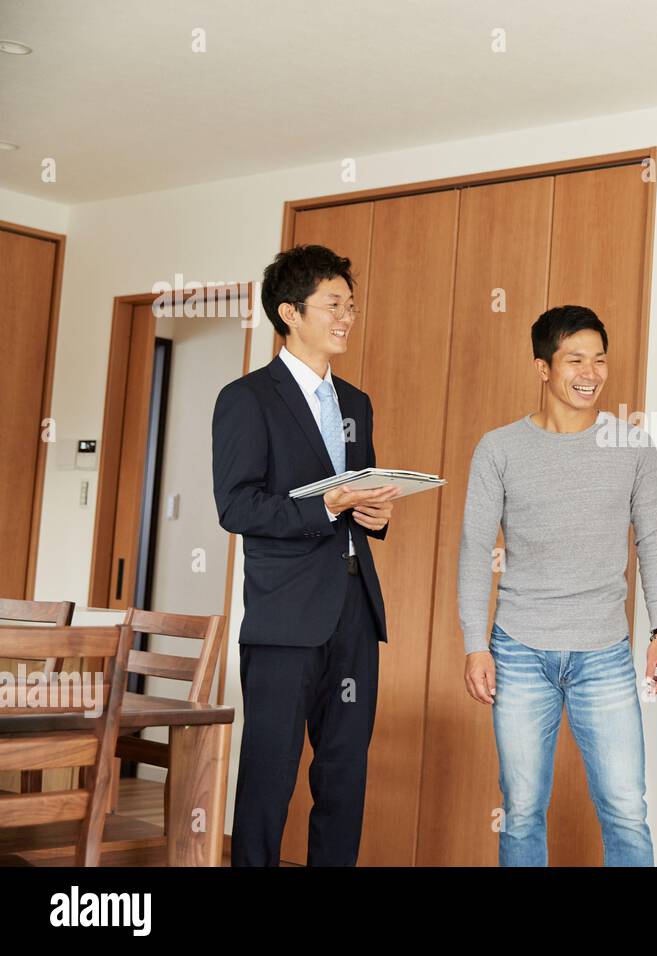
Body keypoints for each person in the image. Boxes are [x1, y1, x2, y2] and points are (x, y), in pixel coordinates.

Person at [458, 304, 657, 867]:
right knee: (523, 807)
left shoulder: (631, 447)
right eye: (575, 359)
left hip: (603, 653)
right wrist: (475, 644)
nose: (591, 372)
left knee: (626, 808)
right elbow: (475, 551)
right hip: (518, 650)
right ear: (542, 368)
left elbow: (653, 540)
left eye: (600, 359)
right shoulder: (499, 449)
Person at [212, 244, 400, 866]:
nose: (347, 315)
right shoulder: (246, 399)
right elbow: (237, 507)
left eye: (351, 303)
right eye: (333, 304)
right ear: (290, 313)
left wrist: (374, 515)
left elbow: (355, 499)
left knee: (345, 776)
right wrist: (322, 508)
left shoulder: (356, 402)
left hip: (353, 610)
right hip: (285, 620)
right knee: (270, 777)